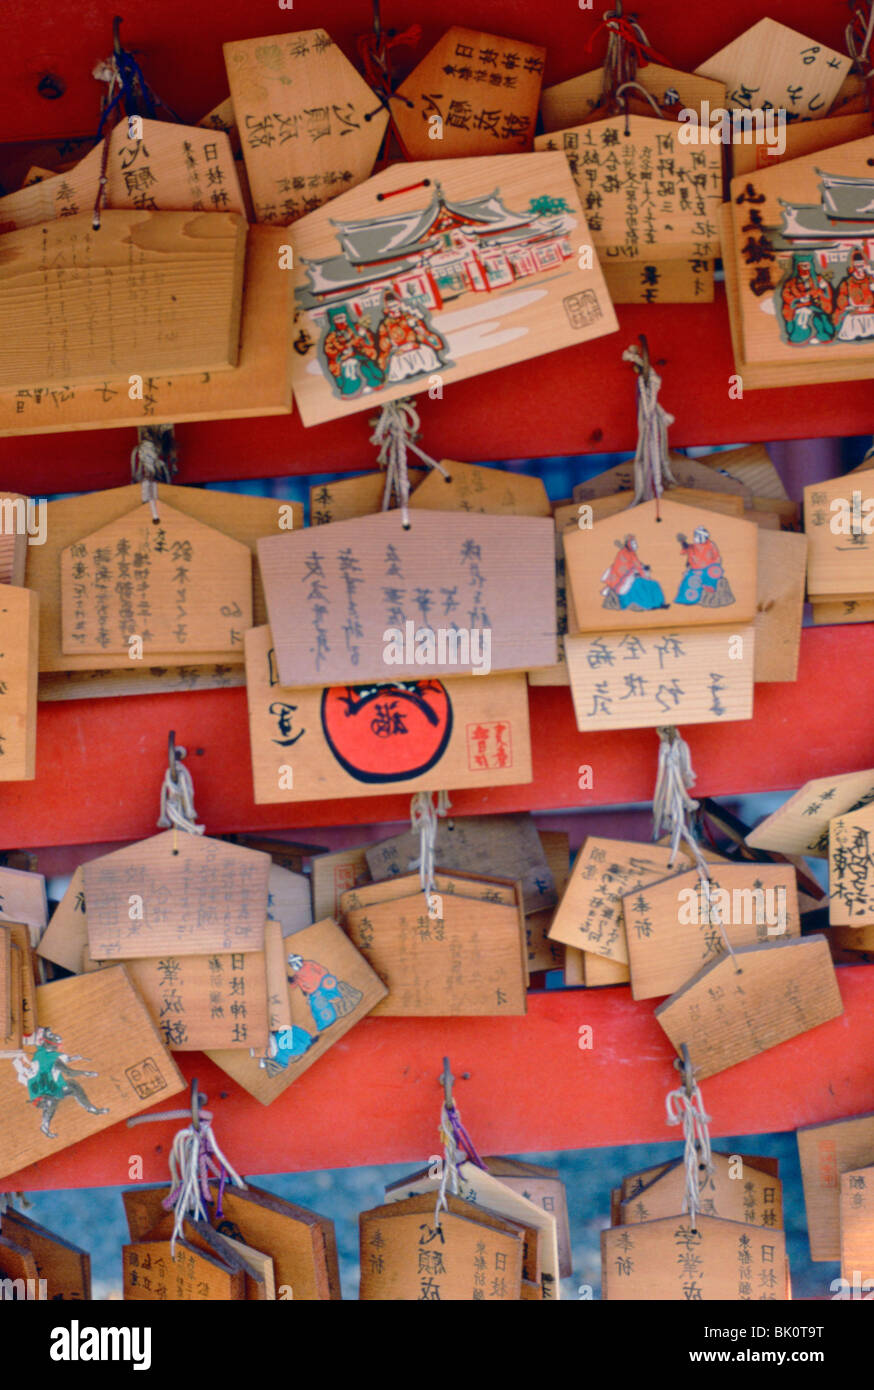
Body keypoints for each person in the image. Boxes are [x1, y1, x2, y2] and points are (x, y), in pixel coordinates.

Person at [14, 1027, 109, 1139]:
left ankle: (92, 1109)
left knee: (72, 1086)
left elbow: (39, 1039)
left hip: (49, 1088)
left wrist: (73, 1059)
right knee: (52, 1100)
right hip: (40, 1093)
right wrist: (86, 1073)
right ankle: (45, 1125)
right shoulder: (54, 1058)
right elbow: (70, 1072)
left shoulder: (41, 1050)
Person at [376, 291, 447, 383]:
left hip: (413, 344)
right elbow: (383, 338)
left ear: (399, 304)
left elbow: (422, 329)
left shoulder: (408, 316)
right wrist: (389, 341)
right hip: (399, 349)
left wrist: (416, 327)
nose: (394, 308)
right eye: (391, 307)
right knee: (395, 360)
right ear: (388, 308)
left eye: (395, 305)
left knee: (426, 351)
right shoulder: (385, 323)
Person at [321, 305, 383, 396]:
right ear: (333, 321)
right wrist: (341, 352)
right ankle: (353, 388)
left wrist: (363, 335)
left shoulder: (354, 328)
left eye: (342, 317)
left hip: (357, 354)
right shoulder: (331, 336)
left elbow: (367, 340)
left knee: (366, 365)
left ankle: (372, 381)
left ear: (346, 317)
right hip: (343, 359)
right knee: (348, 370)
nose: (341, 320)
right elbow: (329, 350)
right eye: (337, 319)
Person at [600, 535, 668, 611]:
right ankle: (648, 605)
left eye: (635, 543)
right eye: (633, 544)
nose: (635, 545)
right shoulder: (622, 553)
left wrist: (643, 568)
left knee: (654, 583)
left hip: (635, 576)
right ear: (628, 544)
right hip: (623, 580)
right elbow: (621, 568)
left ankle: (659, 603)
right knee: (639, 585)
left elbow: (637, 565)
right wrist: (634, 572)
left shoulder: (632, 554)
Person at [780, 253, 835, 345]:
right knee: (800, 320)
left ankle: (820, 335)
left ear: (810, 266)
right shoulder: (791, 283)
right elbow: (786, 295)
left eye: (806, 266)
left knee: (821, 319)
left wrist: (823, 289)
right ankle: (802, 336)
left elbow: (827, 295)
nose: (804, 269)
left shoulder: (818, 280)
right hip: (799, 307)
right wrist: (799, 299)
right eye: (801, 266)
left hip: (815, 306)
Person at [675, 527, 735, 607]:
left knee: (711, 575)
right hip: (695, 570)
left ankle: (708, 588)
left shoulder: (711, 545)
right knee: (689, 579)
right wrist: (683, 542)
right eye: (697, 535)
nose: (698, 537)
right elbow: (687, 549)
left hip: (709, 568)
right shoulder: (693, 546)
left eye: (700, 535)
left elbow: (716, 557)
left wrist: (714, 566)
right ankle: (688, 599)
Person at [832, 249, 874, 342]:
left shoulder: (870, 279)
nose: (860, 268)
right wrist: (848, 306)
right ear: (854, 266)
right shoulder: (847, 281)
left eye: (861, 266)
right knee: (851, 318)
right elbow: (842, 296)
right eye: (858, 266)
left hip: (870, 308)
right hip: (854, 308)